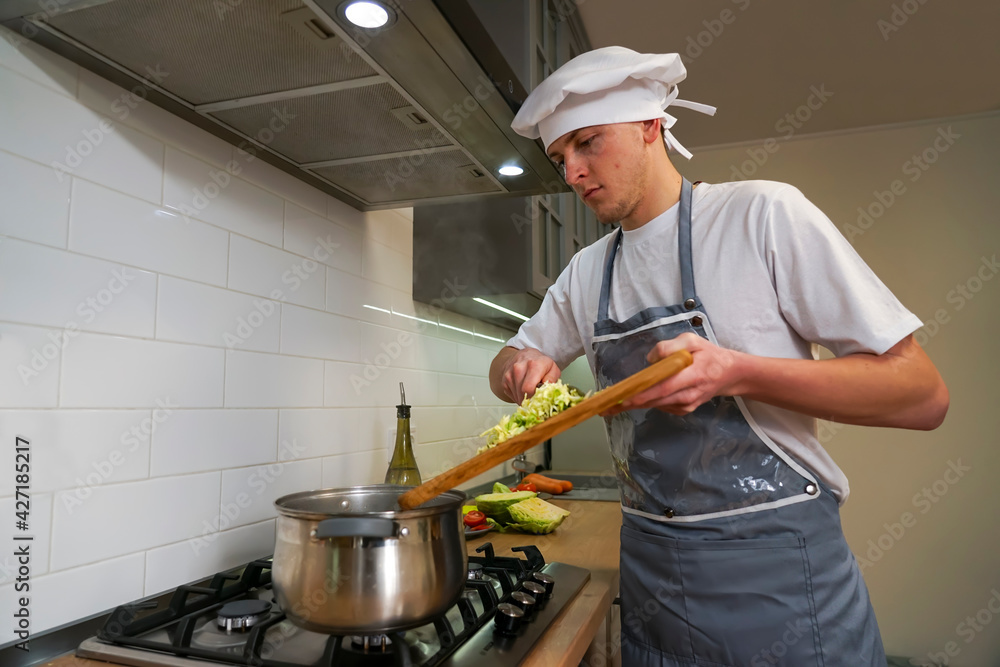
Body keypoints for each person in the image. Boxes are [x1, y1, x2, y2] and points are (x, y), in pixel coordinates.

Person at [489, 46, 949, 667]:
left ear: (650, 125)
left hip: (777, 578)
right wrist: (518, 366)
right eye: (559, 158)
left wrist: (736, 371)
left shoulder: (760, 215)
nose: (571, 174)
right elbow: (507, 361)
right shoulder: (586, 272)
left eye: (589, 143)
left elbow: (922, 395)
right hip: (653, 576)